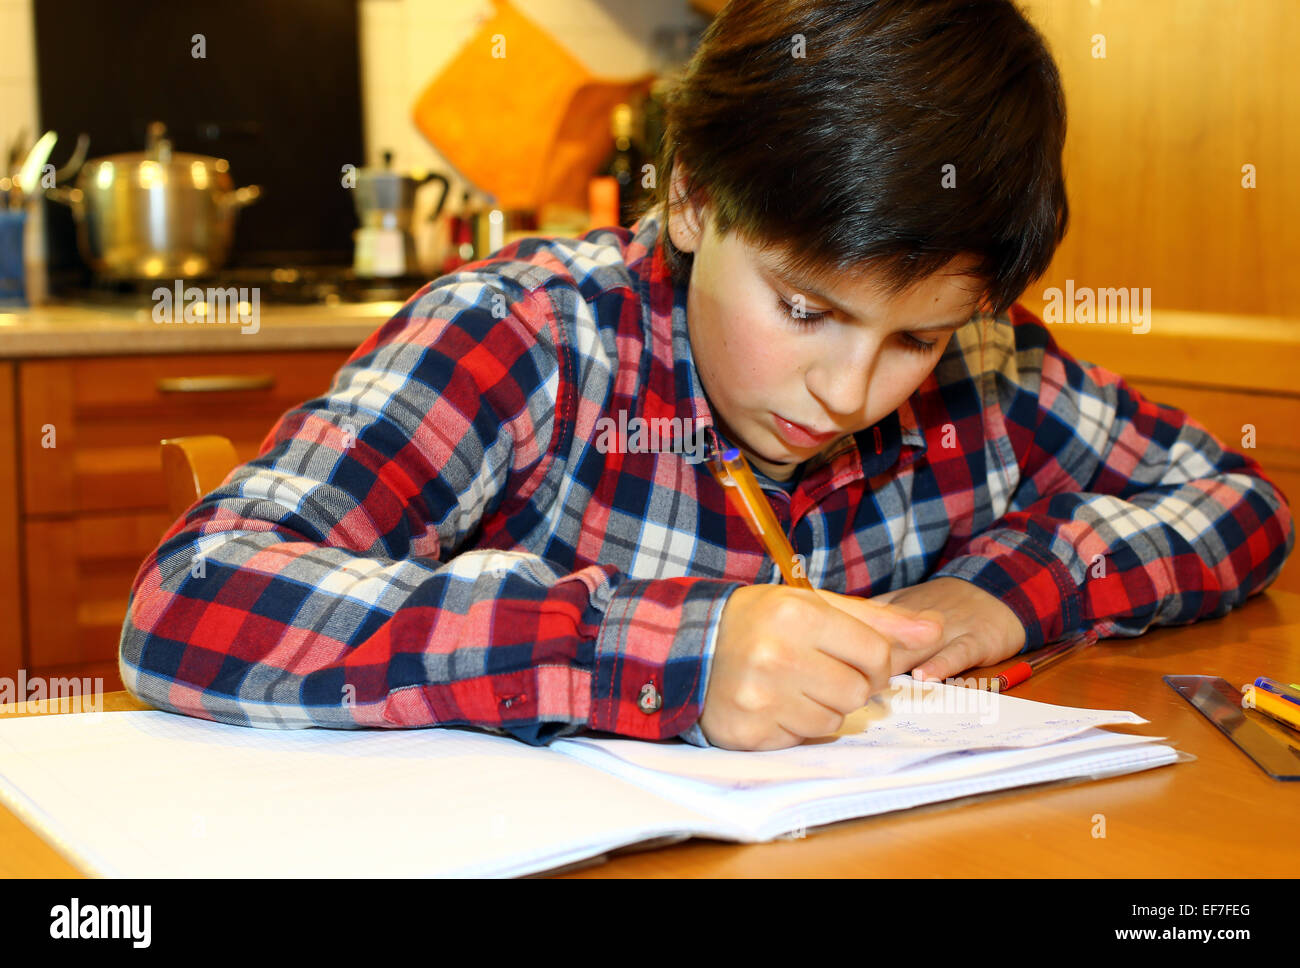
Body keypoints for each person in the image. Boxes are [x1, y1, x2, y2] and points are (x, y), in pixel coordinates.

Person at [119, 0, 1293, 751]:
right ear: (688, 197)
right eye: (803, 309)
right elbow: (191, 597)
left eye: (911, 339)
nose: (846, 392)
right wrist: (663, 655)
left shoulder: (986, 368)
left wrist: (1002, 590)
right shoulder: (526, 340)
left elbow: (1241, 499)